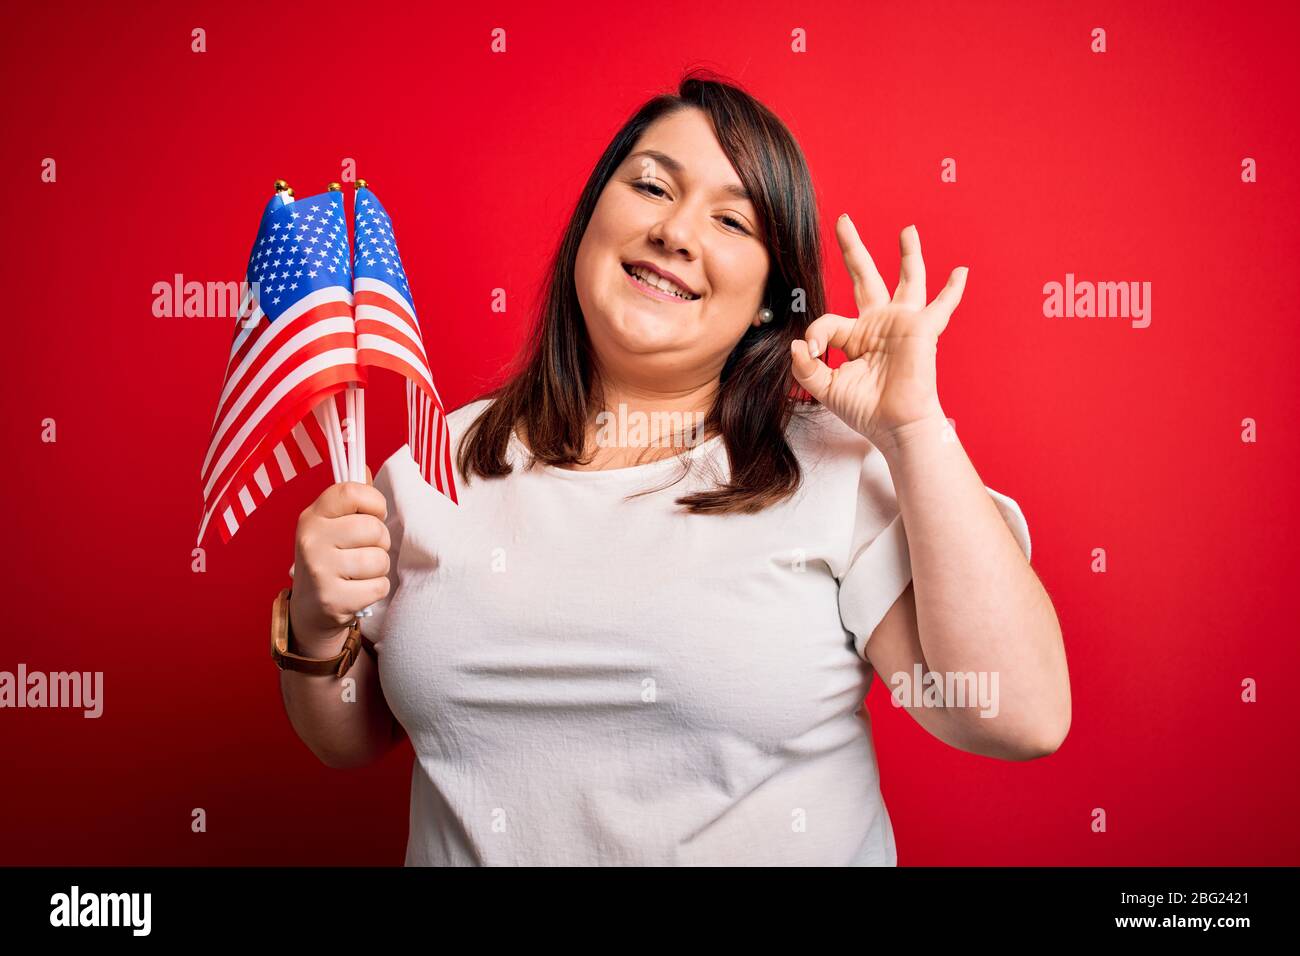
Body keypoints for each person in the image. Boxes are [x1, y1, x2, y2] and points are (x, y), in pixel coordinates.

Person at [277, 71, 1069, 866]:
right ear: (592, 218)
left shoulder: (833, 467)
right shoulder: (429, 466)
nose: (677, 232)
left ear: (770, 297)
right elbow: (350, 738)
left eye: (731, 220)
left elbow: (1019, 717)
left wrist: (916, 429)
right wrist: (314, 622)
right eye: (652, 186)